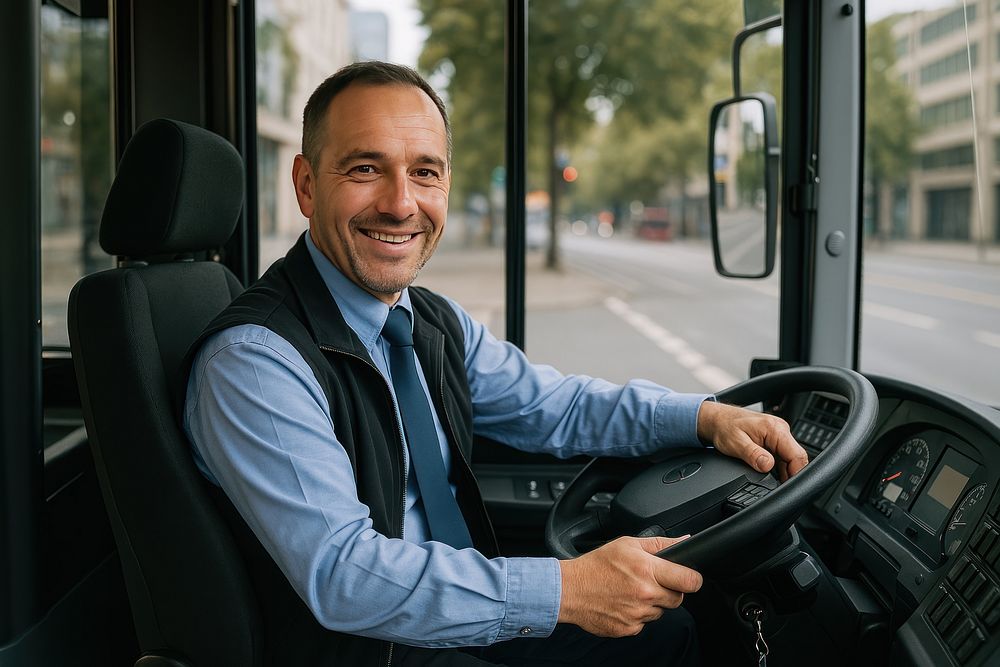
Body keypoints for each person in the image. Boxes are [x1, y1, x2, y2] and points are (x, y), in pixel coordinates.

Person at [183, 60, 808, 666]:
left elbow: (552, 406)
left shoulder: (428, 321)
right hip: (368, 648)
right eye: (366, 167)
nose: (401, 204)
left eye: (425, 172)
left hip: (451, 615)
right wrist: (568, 591)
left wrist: (702, 418)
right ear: (306, 185)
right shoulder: (255, 361)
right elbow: (345, 576)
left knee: (667, 635)